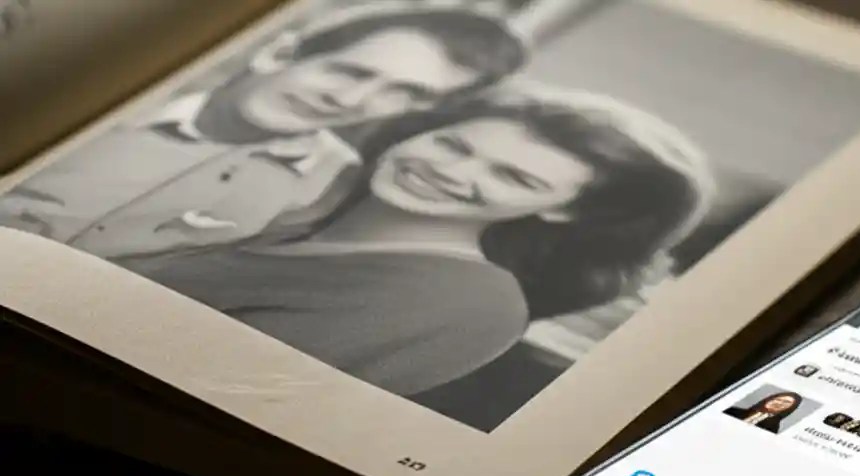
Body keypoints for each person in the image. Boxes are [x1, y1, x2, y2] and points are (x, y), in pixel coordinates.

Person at [124, 87, 714, 398]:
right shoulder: (298, 201)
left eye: (514, 177)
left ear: (564, 210)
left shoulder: (467, 302)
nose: (449, 172)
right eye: (452, 145)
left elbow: (212, 400)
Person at [0, 5, 526, 255]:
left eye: (403, 93)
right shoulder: (113, 85)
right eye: (347, 71)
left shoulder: (333, 183)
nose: (349, 102)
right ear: (281, 51)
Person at [725, 391, 803, 433]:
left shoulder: (771, 429)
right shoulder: (732, 410)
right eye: (778, 399)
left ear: (789, 408)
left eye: (786, 402)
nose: (779, 403)